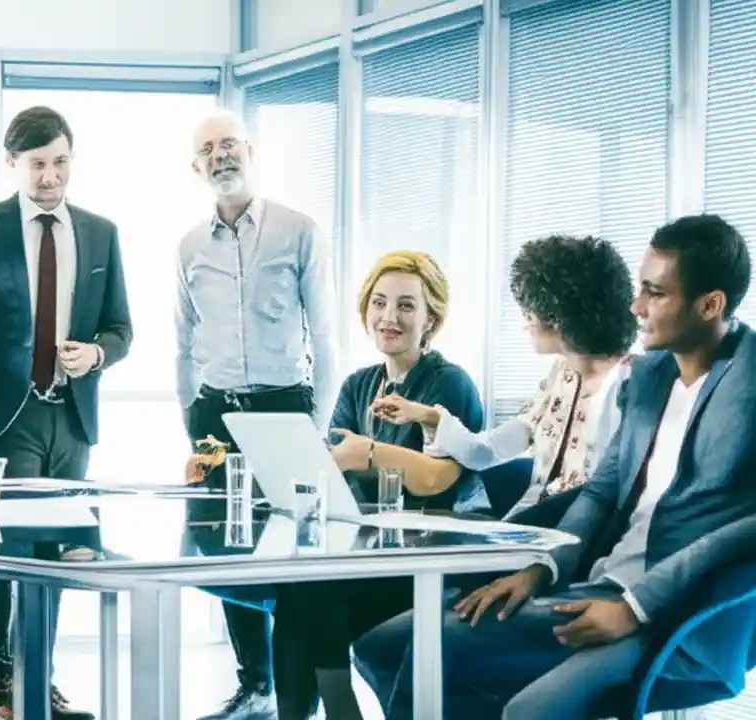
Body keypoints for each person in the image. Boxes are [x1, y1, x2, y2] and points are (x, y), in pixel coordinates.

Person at [354, 214, 756, 719]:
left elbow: (743, 532)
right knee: (383, 647)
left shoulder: (746, 386)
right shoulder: (653, 374)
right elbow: (601, 493)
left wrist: (635, 606)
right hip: (596, 581)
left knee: (494, 687)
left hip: (676, 619)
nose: (636, 308)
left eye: (654, 293)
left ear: (710, 304)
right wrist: (538, 570)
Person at [0, 105, 131, 720]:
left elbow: (122, 328)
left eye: (59, 162)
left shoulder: (101, 231)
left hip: (72, 417)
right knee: (9, 552)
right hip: (6, 413)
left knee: (54, 552)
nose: (50, 177)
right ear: (12, 163)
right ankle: (4, 685)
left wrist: (98, 353)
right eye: (37, 164)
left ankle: (37, 682)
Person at [271, 250, 486, 719]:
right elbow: (333, 471)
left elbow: (437, 481)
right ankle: (311, 711)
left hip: (430, 558)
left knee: (315, 592)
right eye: (379, 303)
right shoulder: (358, 385)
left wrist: (367, 454)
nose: (389, 317)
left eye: (407, 306)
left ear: (431, 318)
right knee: (298, 589)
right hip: (370, 549)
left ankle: (337, 709)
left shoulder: (449, 385)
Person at [176, 111, 335, 720]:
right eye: (207, 148)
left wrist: (316, 429)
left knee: (293, 548)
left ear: (251, 150)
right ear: (196, 166)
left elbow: (322, 333)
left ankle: (299, 692)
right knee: (219, 546)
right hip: (216, 413)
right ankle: (256, 685)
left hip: (284, 406)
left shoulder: (299, 231)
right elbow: (181, 341)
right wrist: (191, 419)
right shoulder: (188, 246)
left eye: (229, 144)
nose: (220, 155)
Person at [373, 235, 638, 519]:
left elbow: (610, 498)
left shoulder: (626, 385)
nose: (525, 319)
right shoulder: (562, 377)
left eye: (529, 307)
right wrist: (425, 415)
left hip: (582, 535)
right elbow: (485, 452)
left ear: (560, 312)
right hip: (536, 528)